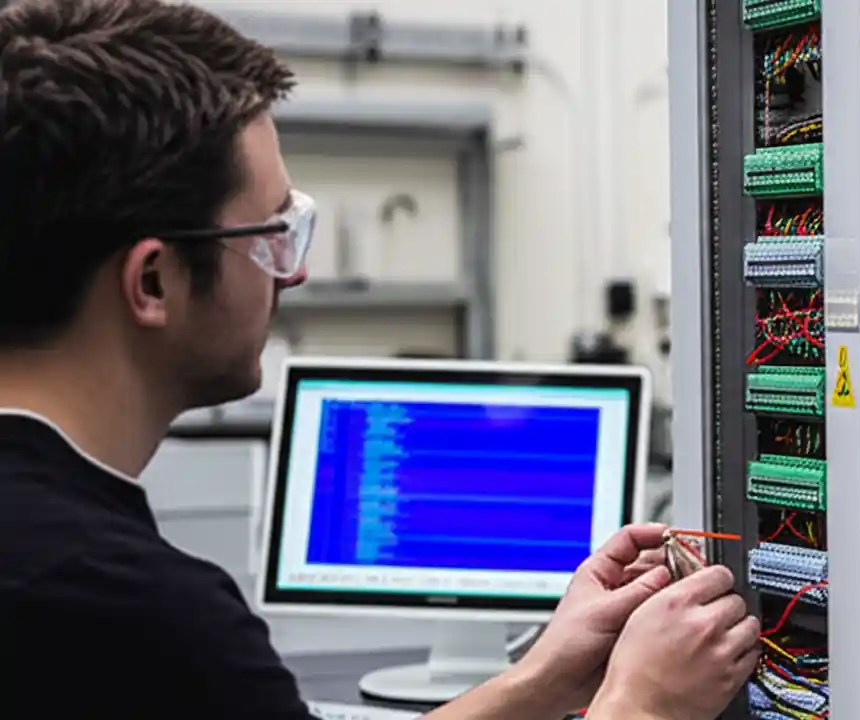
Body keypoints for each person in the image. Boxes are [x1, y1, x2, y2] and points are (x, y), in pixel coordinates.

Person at [0, 1, 761, 718]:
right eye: (267, 236)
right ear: (154, 281)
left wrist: (544, 677)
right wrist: (642, 703)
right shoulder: (134, 616)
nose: (291, 273)